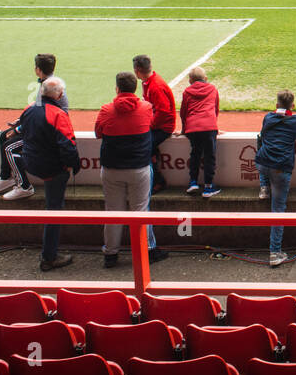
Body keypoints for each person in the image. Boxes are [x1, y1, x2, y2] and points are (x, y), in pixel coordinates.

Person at [94, 72, 166, 268]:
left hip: (112, 168)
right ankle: (147, 250)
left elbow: (98, 133)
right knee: (141, 211)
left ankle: (110, 254)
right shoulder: (146, 107)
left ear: (117, 88)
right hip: (139, 168)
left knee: (113, 212)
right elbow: (149, 124)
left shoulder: (106, 110)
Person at [18, 76, 80, 272]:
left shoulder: (29, 109)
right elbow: (68, 146)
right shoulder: (58, 114)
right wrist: (73, 167)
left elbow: (23, 130)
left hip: (32, 163)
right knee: (54, 210)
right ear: (59, 95)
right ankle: (49, 256)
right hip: (52, 169)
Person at [0, 53, 67, 200]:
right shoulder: (49, 84)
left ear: (37, 69)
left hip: (46, 134)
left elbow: (43, 117)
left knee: (9, 148)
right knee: (3, 135)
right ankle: (5, 177)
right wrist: (20, 121)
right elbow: (37, 110)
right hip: (42, 127)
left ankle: (24, 186)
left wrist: (20, 129)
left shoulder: (49, 87)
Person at [254, 89, 296, 267]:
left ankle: (263, 187)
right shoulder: (295, 119)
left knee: (260, 146)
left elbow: (263, 136)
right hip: (280, 169)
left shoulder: (268, 118)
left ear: (276, 105)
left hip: (263, 164)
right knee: (278, 210)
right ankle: (275, 252)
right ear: (293, 106)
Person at [134, 54, 179, 197]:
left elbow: (164, 112)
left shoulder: (155, 86)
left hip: (163, 127)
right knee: (148, 146)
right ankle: (154, 161)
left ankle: (157, 181)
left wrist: (149, 126)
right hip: (157, 125)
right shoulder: (149, 82)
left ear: (137, 70)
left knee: (143, 146)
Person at [180, 66, 220, 196]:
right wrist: (213, 124)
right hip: (209, 127)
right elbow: (215, 109)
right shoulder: (213, 89)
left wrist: (184, 129)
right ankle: (208, 187)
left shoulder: (187, 92)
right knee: (210, 156)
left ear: (190, 80)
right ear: (206, 78)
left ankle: (193, 182)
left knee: (195, 154)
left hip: (192, 128)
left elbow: (183, 112)